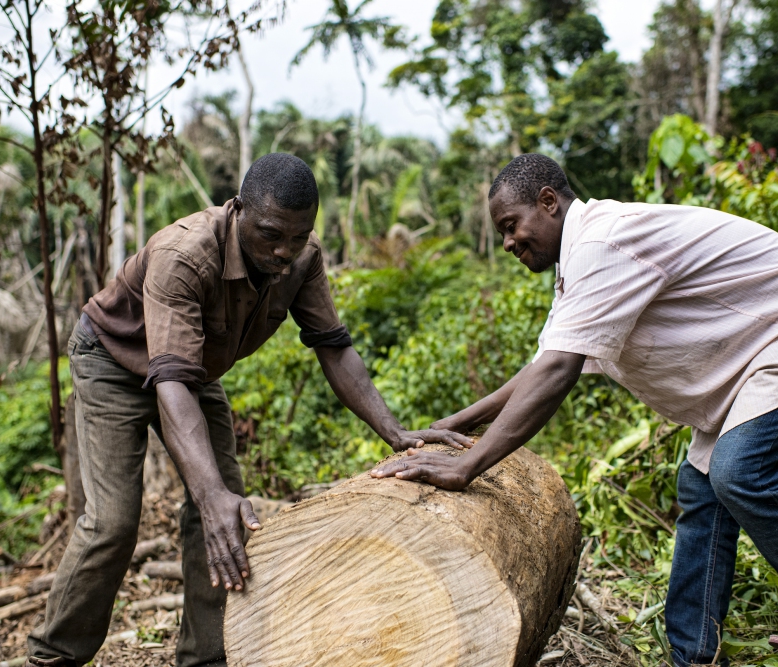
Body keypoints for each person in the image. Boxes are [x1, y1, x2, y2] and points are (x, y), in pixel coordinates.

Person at [371, 153, 778, 667]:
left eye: (512, 225)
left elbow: (558, 373)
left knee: (738, 471)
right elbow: (542, 367)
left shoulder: (603, 243)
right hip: (759, 354)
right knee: (702, 485)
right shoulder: (580, 261)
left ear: (548, 202)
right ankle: (693, 654)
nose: (508, 242)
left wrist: (468, 465)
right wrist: (454, 426)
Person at [26, 153, 470, 667]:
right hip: (115, 362)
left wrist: (395, 432)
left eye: (298, 237)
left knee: (226, 514)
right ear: (237, 210)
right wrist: (208, 492)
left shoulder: (304, 259)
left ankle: (206, 658)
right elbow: (168, 382)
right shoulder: (184, 253)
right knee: (114, 522)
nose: (284, 252)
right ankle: (53, 656)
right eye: (270, 234)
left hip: (191, 372)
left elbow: (333, 346)